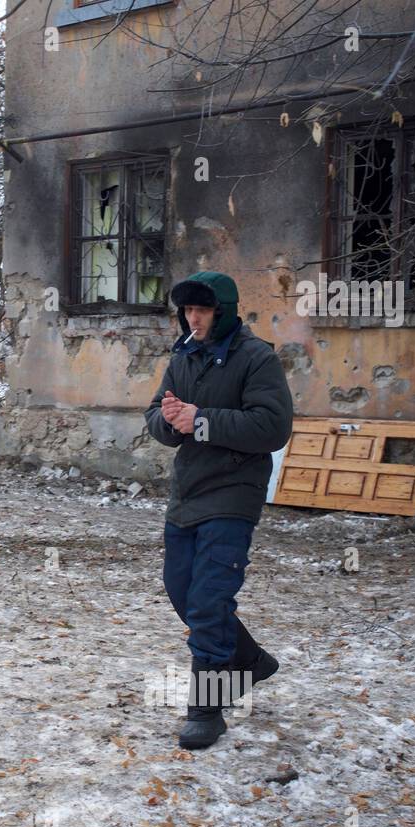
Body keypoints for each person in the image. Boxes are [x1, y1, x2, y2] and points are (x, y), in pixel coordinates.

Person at [143, 271, 294, 749]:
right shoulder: (183, 353)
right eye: (188, 310)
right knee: (181, 589)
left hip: (234, 491)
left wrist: (201, 420)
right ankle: (249, 661)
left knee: (209, 600)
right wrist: (168, 422)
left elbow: (273, 427)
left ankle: (206, 709)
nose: (193, 319)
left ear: (224, 311)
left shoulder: (257, 358)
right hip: (188, 490)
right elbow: (155, 413)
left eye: (202, 311)